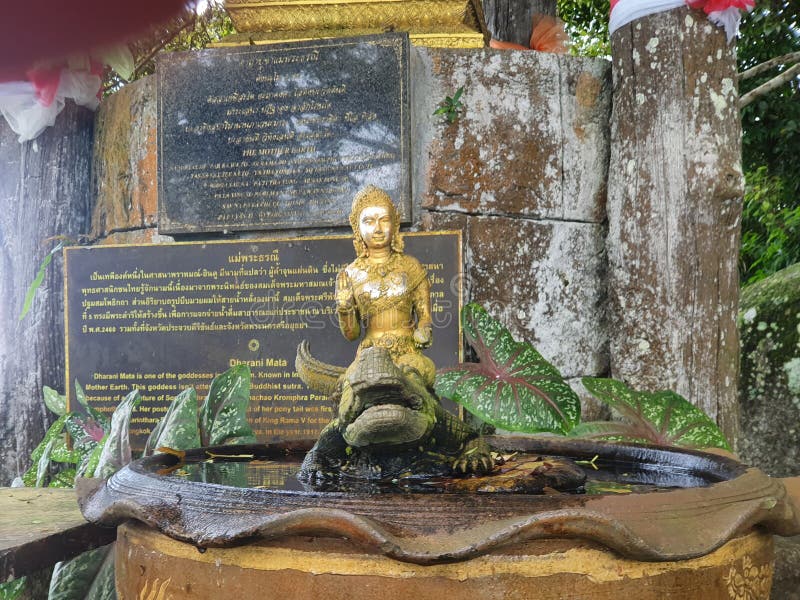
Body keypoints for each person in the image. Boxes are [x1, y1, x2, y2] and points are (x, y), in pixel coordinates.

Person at [335, 185, 436, 387]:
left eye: (384, 220)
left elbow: (424, 317)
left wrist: (423, 331)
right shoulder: (350, 275)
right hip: (370, 355)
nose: (378, 229)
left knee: (415, 378)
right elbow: (351, 334)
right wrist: (345, 308)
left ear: (395, 224)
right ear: (357, 228)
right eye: (369, 222)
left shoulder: (410, 266)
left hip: (408, 353)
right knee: (350, 387)